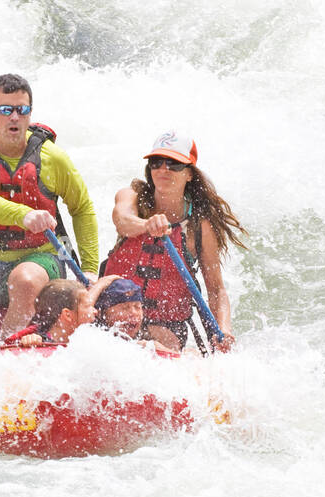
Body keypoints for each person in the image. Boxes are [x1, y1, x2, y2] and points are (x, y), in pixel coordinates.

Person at [0, 73, 99, 335]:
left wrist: (89, 268)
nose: (14, 117)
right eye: (5, 109)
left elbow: (82, 208)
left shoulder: (53, 157)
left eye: (22, 109)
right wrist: (24, 215)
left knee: (24, 279)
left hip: (39, 258)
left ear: (30, 113)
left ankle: (8, 347)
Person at [103, 130, 246, 352]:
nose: (163, 169)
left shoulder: (199, 226)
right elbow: (122, 220)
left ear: (189, 174)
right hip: (114, 313)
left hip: (165, 325)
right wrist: (146, 225)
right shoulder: (131, 196)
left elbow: (216, 290)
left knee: (161, 342)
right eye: (156, 163)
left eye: (173, 164)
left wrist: (224, 329)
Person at [5, 280, 93, 348]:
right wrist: (28, 341)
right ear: (68, 315)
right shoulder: (39, 341)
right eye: (88, 306)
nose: (95, 311)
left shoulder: (86, 340)